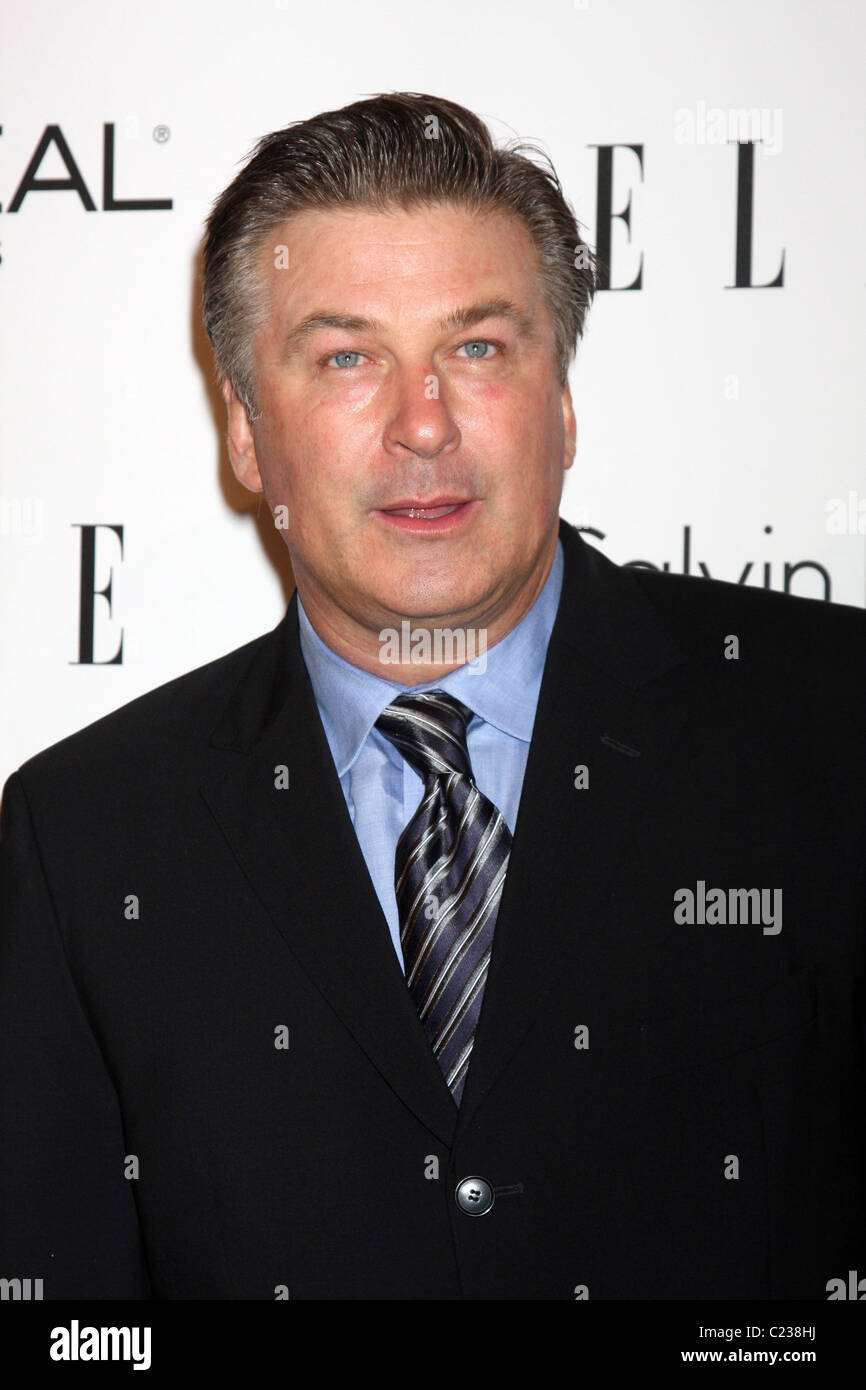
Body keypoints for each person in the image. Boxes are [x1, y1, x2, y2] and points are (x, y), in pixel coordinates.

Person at [1, 92, 863, 1301]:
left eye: (477, 348)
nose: (422, 424)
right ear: (247, 434)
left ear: (559, 402)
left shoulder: (834, 724)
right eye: (347, 357)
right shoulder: (84, 836)